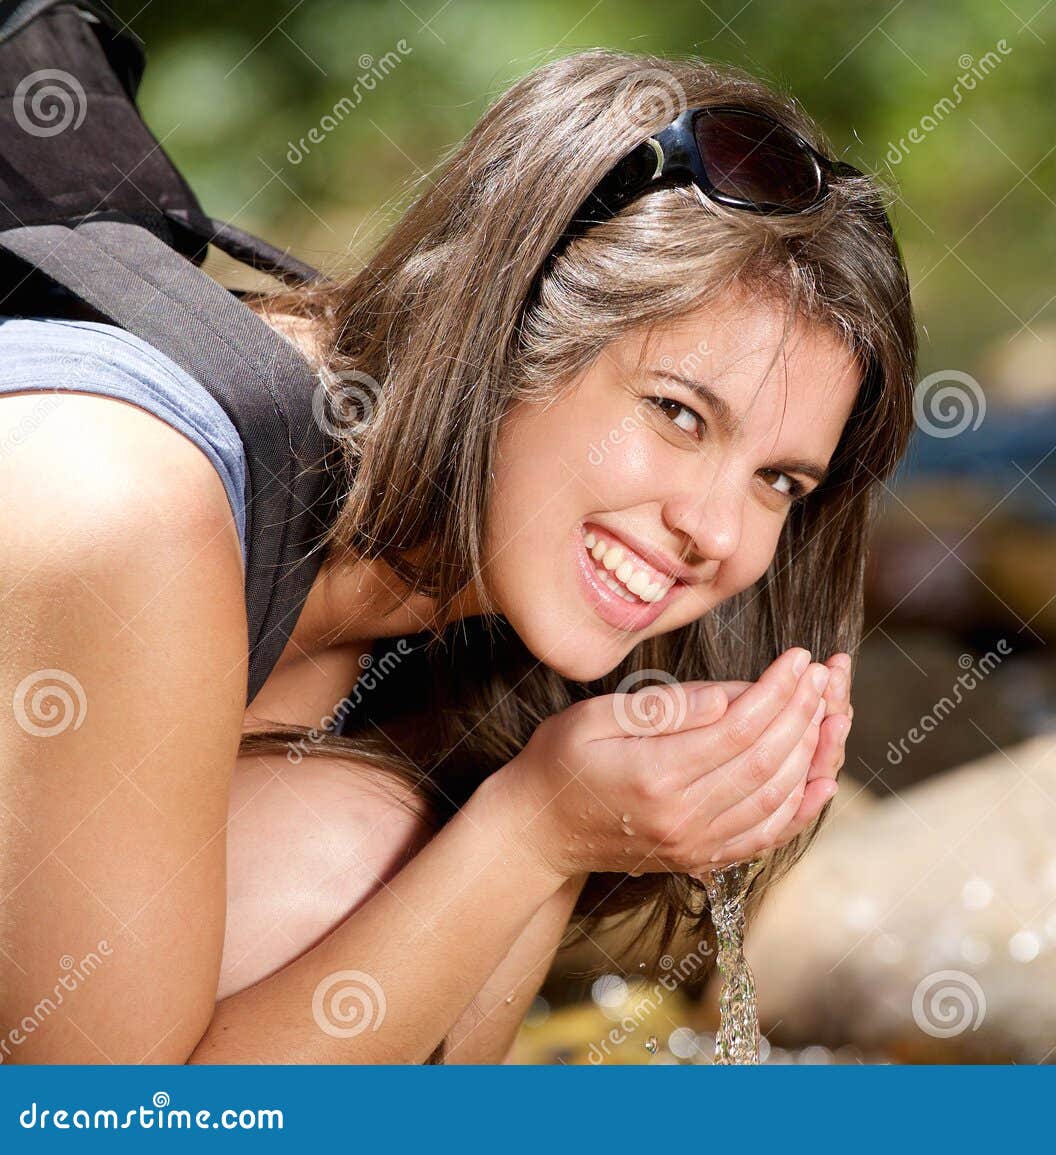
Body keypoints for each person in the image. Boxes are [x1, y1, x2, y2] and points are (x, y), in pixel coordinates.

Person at [0, 48, 915, 1063]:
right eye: (677, 413)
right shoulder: (135, 504)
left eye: (778, 480)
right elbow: (95, 1122)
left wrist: (558, 826)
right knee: (372, 855)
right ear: (508, 328)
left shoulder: (462, 623)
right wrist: (535, 830)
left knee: (445, 866)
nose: (719, 531)